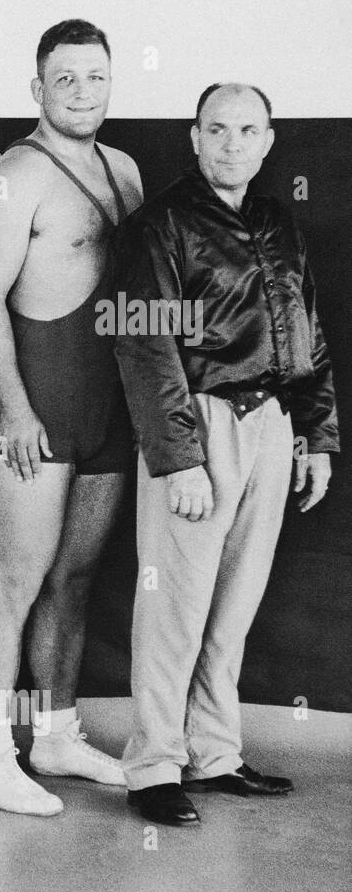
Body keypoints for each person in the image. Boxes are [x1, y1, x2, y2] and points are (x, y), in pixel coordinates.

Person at [115, 83, 337, 827]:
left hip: (271, 424)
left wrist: (317, 436)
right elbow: (146, 347)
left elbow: (307, 334)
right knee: (172, 609)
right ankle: (153, 766)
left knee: (232, 608)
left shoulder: (277, 221)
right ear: (194, 136)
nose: (232, 143)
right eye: (218, 129)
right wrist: (178, 461)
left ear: (269, 139)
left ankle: (214, 752)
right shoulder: (161, 224)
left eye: (248, 130)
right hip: (200, 424)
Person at [0, 20, 143, 815]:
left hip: (106, 406)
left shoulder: (126, 172)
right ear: (37, 89)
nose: (80, 91)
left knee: (73, 580)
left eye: (93, 77)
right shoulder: (13, 176)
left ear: (111, 83)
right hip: (30, 406)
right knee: (14, 581)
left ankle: (57, 733)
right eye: (63, 78)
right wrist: (15, 409)